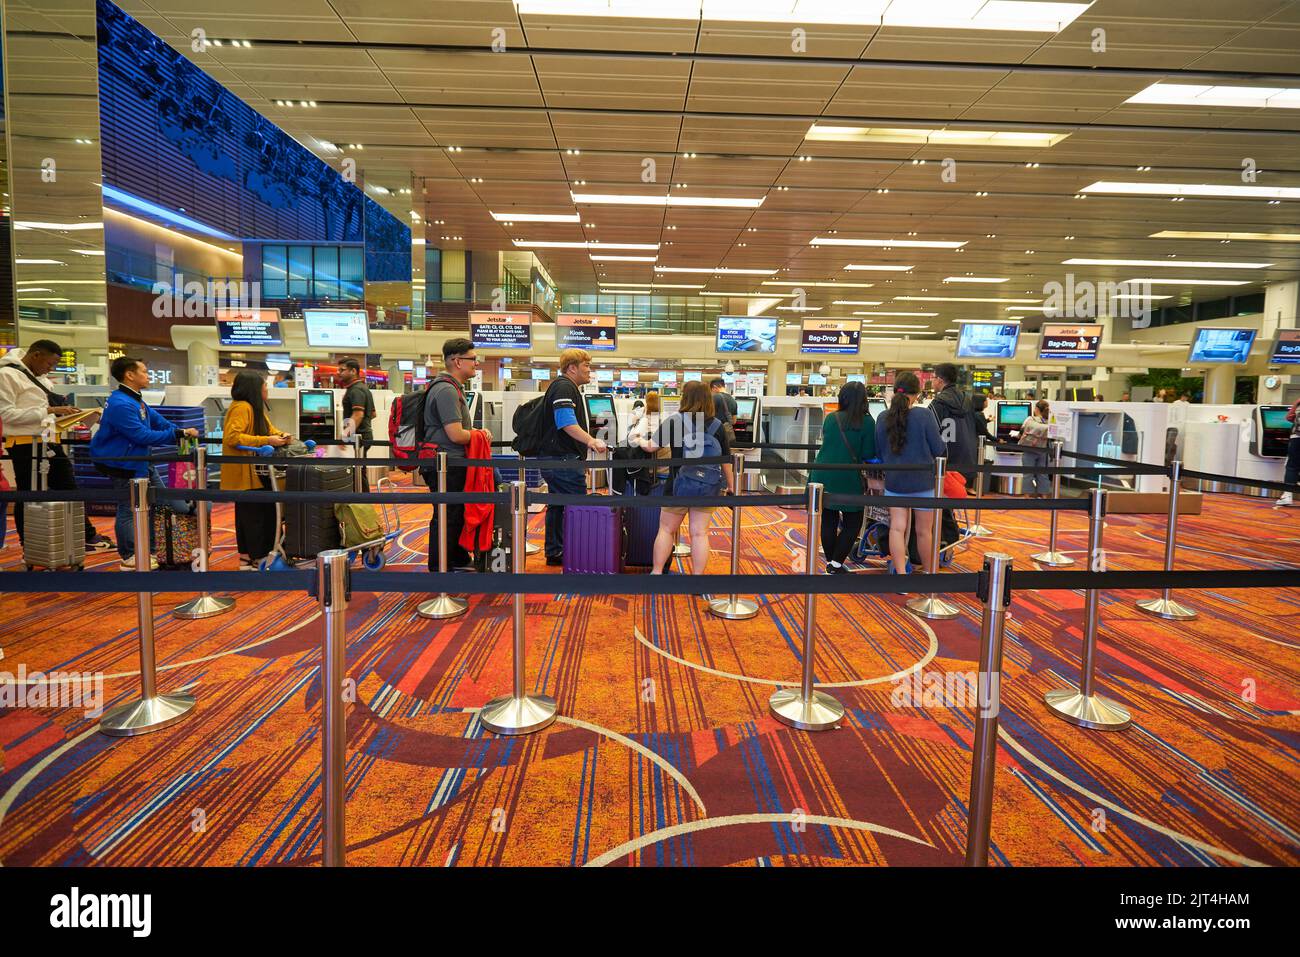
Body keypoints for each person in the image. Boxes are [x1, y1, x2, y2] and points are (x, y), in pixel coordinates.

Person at [0, 340, 113, 551]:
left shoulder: (40, 378)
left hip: (48, 439)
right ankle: (30, 544)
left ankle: (82, 535)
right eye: (49, 363)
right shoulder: (6, 375)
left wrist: (68, 416)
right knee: (28, 493)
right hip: (25, 444)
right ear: (35, 355)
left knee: (67, 487)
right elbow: (5, 415)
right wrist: (51, 411)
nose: (50, 369)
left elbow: (44, 411)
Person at [90, 356, 198, 569]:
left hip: (141, 460)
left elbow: (158, 421)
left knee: (157, 501)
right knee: (128, 508)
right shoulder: (121, 403)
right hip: (123, 463)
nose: (148, 375)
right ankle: (130, 555)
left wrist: (180, 431)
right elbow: (140, 435)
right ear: (130, 375)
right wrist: (177, 434)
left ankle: (149, 550)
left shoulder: (135, 399)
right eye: (145, 372)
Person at [646, 380, 733, 576]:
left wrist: (638, 440)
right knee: (699, 533)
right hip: (707, 486)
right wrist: (732, 487)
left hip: (677, 484)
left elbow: (651, 447)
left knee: (666, 529)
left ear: (684, 397)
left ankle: (657, 573)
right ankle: (697, 580)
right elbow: (726, 461)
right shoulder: (718, 425)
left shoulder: (675, 420)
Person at [537, 348, 608, 565]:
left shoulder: (565, 387)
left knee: (558, 505)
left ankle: (556, 551)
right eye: (586, 366)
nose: (590, 371)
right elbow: (566, 422)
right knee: (577, 506)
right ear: (572, 368)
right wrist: (591, 441)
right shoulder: (564, 387)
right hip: (562, 460)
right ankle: (576, 552)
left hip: (560, 458)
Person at [421, 337, 481, 572]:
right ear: (457, 361)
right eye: (473, 359)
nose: (476, 364)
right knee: (447, 515)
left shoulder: (450, 387)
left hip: (449, 461)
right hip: (446, 463)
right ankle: (441, 567)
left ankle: (454, 558)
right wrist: (480, 435)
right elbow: (455, 434)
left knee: (452, 513)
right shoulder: (446, 390)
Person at [875, 371, 945, 575]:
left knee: (897, 528)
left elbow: (879, 452)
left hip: (895, 482)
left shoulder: (882, 417)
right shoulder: (924, 415)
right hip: (923, 482)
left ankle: (900, 576)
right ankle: (930, 576)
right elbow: (939, 448)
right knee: (924, 532)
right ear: (917, 393)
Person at [221, 371, 291, 570]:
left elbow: (270, 430)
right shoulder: (242, 407)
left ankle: (249, 557)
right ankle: (257, 556)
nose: (267, 389)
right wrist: (266, 441)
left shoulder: (254, 408)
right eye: (264, 386)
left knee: (252, 514)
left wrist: (283, 436)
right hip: (246, 473)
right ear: (254, 388)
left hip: (256, 472)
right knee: (255, 516)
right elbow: (232, 437)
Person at [810, 381, 876, 573]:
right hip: (848, 476)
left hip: (822, 472)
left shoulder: (832, 418)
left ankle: (832, 562)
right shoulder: (867, 422)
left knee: (828, 518)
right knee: (853, 521)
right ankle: (836, 563)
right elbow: (868, 454)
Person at [928, 362, 975, 544]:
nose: (932, 381)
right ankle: (948, 533)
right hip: (966, 462)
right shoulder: (967, 400)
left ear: (940, 380)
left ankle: (943, 537)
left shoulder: (937, 404)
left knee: (937, 499)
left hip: (945, 465)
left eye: (933, 377)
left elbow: (929, 432)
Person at [336, 358, 375, 488]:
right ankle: (362, 500)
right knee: (358, 470)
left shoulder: (356, 390)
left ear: (353, 371)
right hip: (363, 435)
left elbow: (358, 414)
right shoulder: (362, 388)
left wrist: (345, 434)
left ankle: (362, 501)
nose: (338, 373)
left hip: (358, 437)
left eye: (342, 370)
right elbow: (373, 414)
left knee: (356, 471)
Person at [1019, 399, 1052, 498]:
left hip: (1029, 448)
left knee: (1028, 474)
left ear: (1037, 409)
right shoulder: (1049, 421)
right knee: (1043, 474)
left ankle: (1027, 496)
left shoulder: (1030, 419)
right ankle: (1044, 496)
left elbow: (1022, 431)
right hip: (1043, 449)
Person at [1276, 397, 1300, 508]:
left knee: (1292, 466)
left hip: (1297, 438)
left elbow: (1289, 417)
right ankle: (1287, 495)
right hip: (1296, 437)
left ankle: (1287, 495)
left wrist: (1296, 402)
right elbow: (1289, 417)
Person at [710, 378, 738, 448]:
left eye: (712, 390)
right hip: (728, 435)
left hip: (715, 434)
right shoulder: (733, 400)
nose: (712, 392)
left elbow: (708, 416)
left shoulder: (714, 397)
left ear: (715, 387)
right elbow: (734, 421)